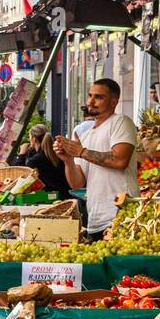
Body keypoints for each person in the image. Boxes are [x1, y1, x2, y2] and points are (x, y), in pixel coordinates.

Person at [54, 79, 137, 241]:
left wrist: (81, 151)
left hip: (121, 215)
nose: (91, 101)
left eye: (99, 97)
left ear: (114, 102)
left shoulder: (121, 122)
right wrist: (68, 160)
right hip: (95, 219)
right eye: (90, 96)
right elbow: (77, 183)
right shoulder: (85, 136)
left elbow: (120, 160)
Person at [23, 130, 71, 198]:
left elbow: (22, 180)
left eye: (29, 138)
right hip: (67, 196)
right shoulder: (60, 155)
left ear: (34, 140)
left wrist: (21, 154)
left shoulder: (34, 161)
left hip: (47, 199)